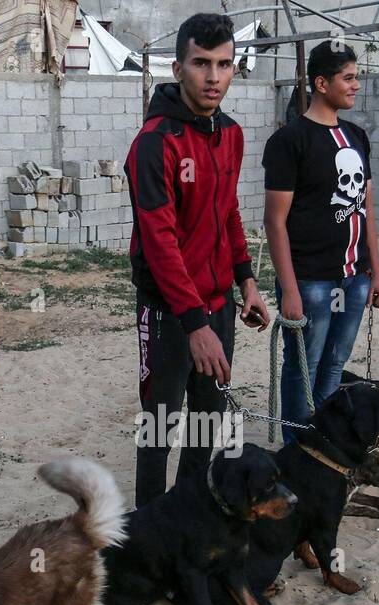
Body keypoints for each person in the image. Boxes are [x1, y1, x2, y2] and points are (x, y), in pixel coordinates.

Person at [125, 12, 270, 508]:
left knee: (206, 423)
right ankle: (147, 531)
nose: (214, 77)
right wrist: (193, 323)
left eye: (224, 64)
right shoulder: (153, 142)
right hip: (169, 313)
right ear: (177, 68)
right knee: (159, 427)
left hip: (219, 305)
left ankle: (185, 517)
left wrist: (246, 280)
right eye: (201, 63)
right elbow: (159, 240)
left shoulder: (230, 134)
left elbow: (228, 210)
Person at [263, 39, 379, 444]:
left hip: (354, 278)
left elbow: (365, 209)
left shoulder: (357, 136)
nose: (356, 86)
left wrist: (377, 274)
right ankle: (297, 449)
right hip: (311, 282)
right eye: (348, 78)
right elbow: (275, 221)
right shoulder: (289, 141)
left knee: (334, 366)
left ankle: (323, 443)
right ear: (321, 83)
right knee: (303, 367)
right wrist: (288, 289)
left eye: (357, 77)